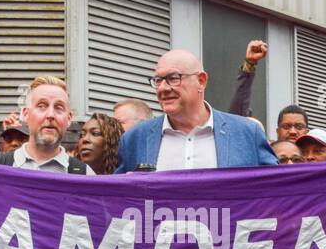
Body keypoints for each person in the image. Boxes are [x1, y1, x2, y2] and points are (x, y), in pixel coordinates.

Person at [115, 49, 278, 172]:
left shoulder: (247, 134)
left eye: (173, 78)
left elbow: (279, 193)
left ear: (201, 81)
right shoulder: (134, 139)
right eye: (158, 80)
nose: (163, 88)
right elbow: (118, 200)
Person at [0, 76, 93, 174]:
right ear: (26, 114)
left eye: (59, 107)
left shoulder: (85, 176)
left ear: (69, 118)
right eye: (42, 106)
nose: (50, 115)